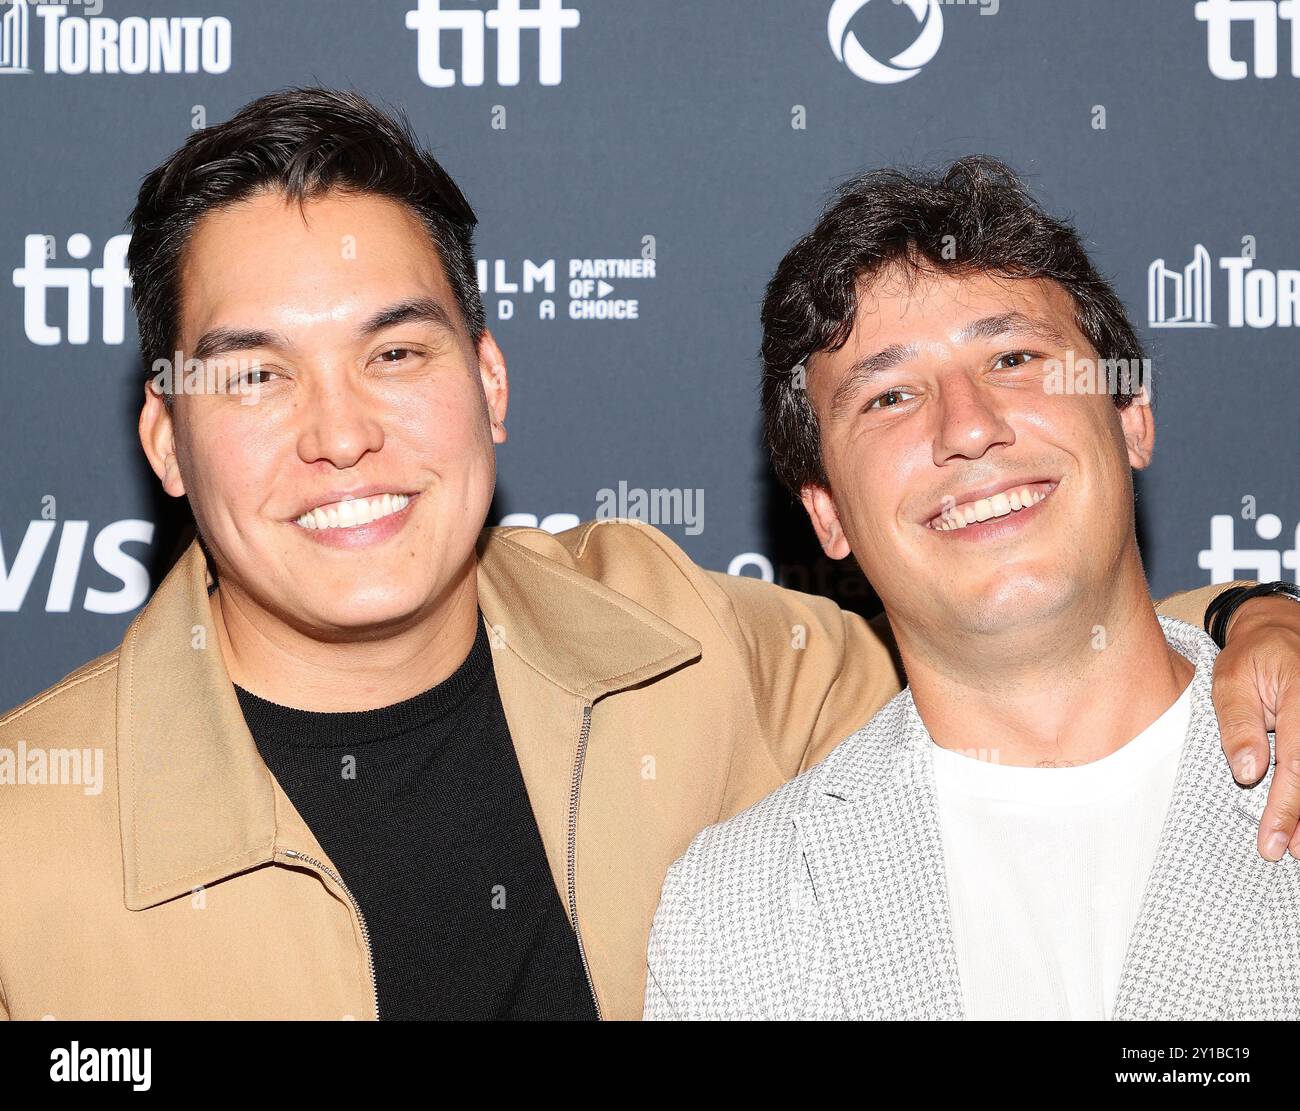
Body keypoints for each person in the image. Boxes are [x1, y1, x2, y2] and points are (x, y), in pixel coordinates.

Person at [0, 92, 1295, 1021]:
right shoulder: (26, 835)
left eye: (396, 351)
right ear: (165, 439)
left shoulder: (677, 642)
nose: (341, 433)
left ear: (490, 381)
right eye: (253, 374)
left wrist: (1258, 620)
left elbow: (1021, 637)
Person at [644, 156, 1300, 1020]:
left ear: (1131, 413)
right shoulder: (732, 914)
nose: (968, 428)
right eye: (888, 396)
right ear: (828, 513)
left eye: (1015, 357)